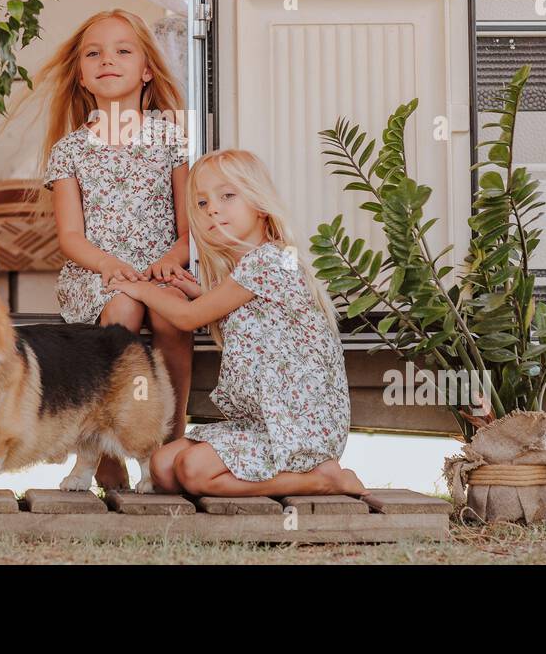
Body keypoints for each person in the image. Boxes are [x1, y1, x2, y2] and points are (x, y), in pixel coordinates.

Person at [106, 148, 365, 497]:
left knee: (194, 471)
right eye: (202, 203)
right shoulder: (250, 268)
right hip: (262, 423)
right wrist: (198, 291)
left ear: (260, 204)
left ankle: (324, 479)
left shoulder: (271, 260)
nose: (212, 208)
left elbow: (186, 318)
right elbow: (249, 315)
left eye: (227, 196)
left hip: (295, 426)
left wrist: (138, 288)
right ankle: (299, 478)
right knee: (164, 467)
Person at [37, 8, 195, 489]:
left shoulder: (171, 137)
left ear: (146, 69)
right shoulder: (70, 149)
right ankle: (107, 441)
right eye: (94, 53)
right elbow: (71, 238)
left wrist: (169, 260)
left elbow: (191, 229)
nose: (108, 60)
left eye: (123, 51)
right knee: (123, 310)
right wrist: (112, 267)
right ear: (82, 75)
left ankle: (169, 437)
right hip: (98, 275)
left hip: (161, 269)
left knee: (170, 316)